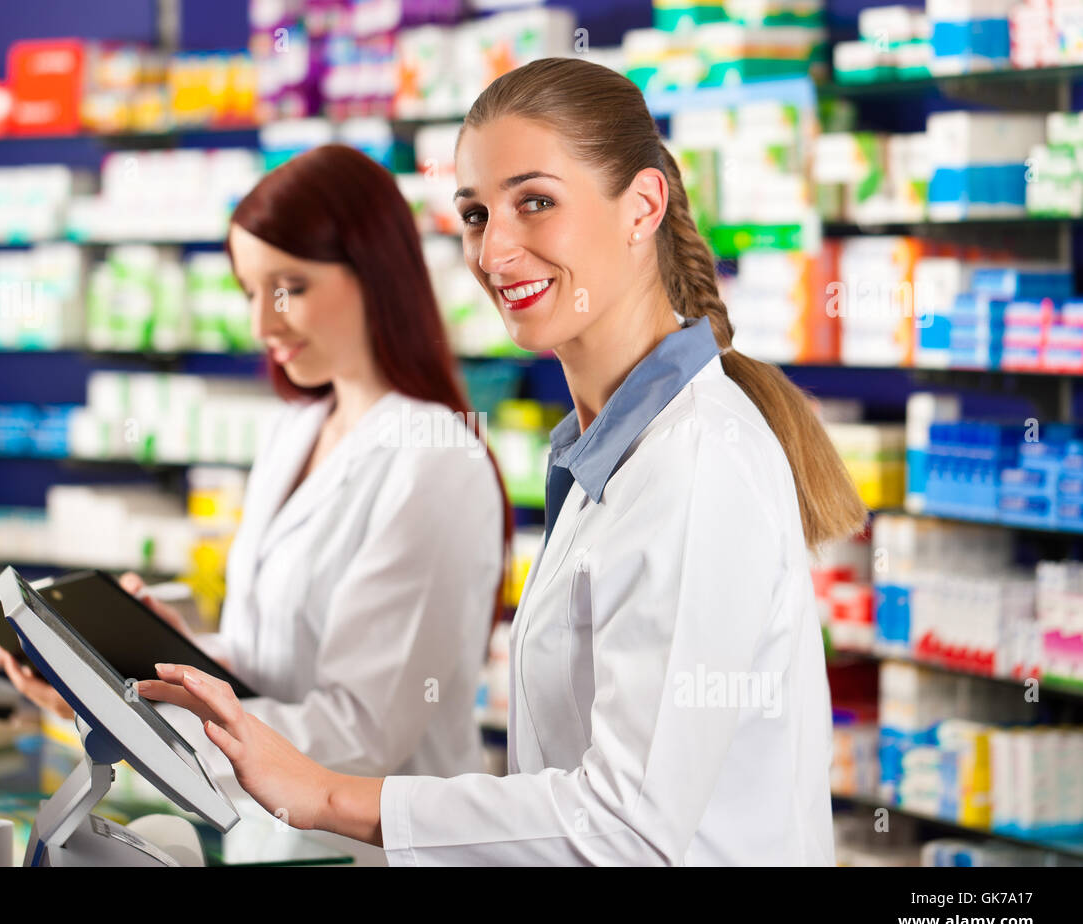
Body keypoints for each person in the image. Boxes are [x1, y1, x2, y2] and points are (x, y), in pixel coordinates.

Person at [140, 57, 867, 864]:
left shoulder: (697, 462)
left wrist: (330, 795)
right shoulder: (607, 455)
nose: (495, 251)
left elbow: (629, 825)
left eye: (536, 203)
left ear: (642, 207)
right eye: (477, 215)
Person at [5, 143, 511, 780]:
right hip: (261, 833)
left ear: (374, 270)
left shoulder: (438, 460)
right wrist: (167, 660)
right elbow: (268, 667)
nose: (261, 324)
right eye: (250, 290)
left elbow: (362, 736)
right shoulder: (294, 432)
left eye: (289, 287)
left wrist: (144, 717)